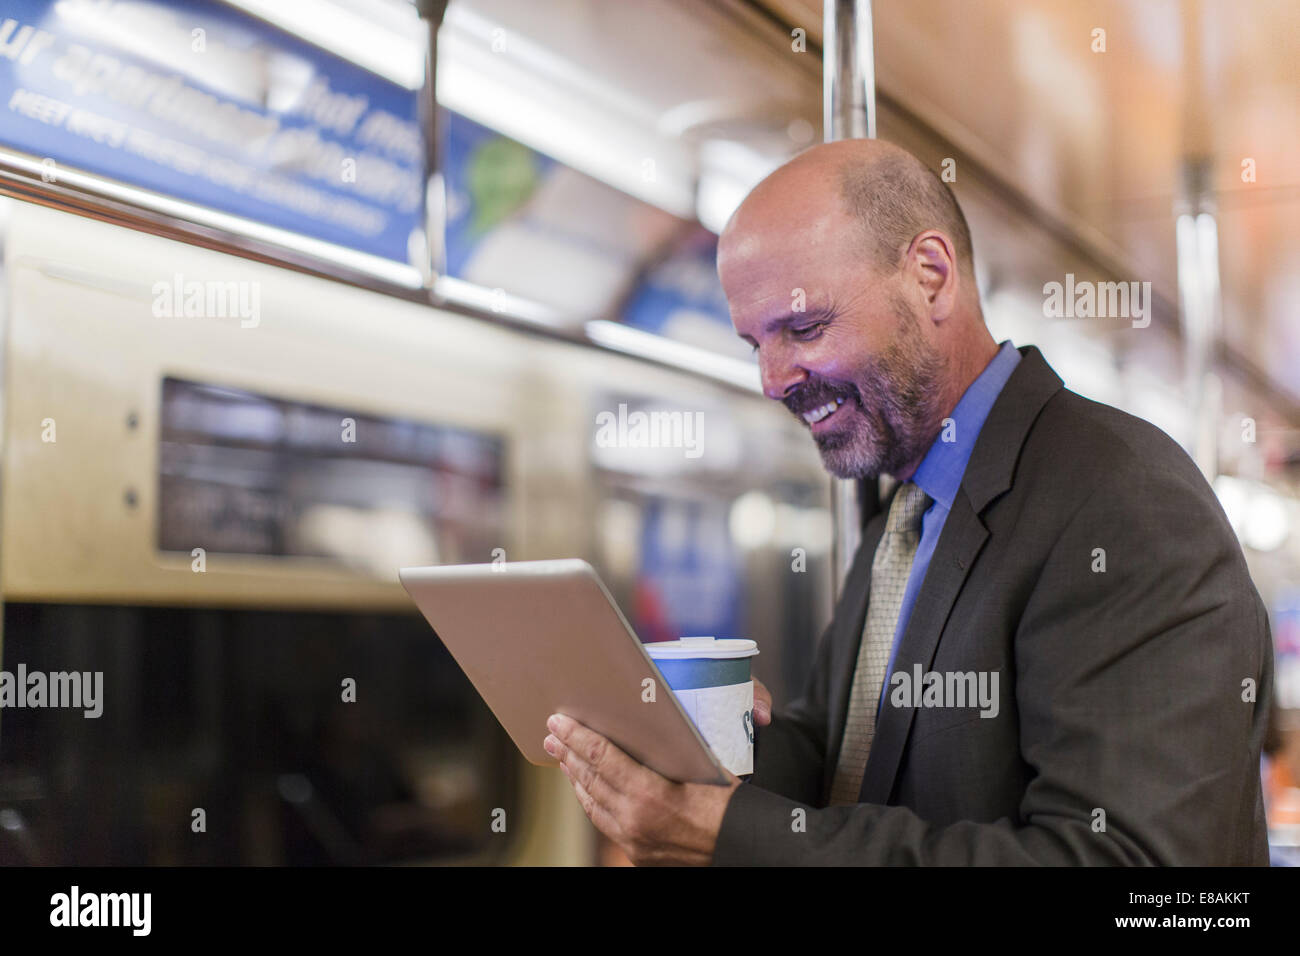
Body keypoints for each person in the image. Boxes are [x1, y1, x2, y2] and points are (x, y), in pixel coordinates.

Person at [543, 138, 1274, 865]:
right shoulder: (906, 512)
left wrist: (726, 834)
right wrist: (709, 750)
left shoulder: (1122, 499)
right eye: (753, 344)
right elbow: (855, 758)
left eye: (804, 327)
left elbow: (1132, 870)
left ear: (930, 276)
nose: (772, 380)